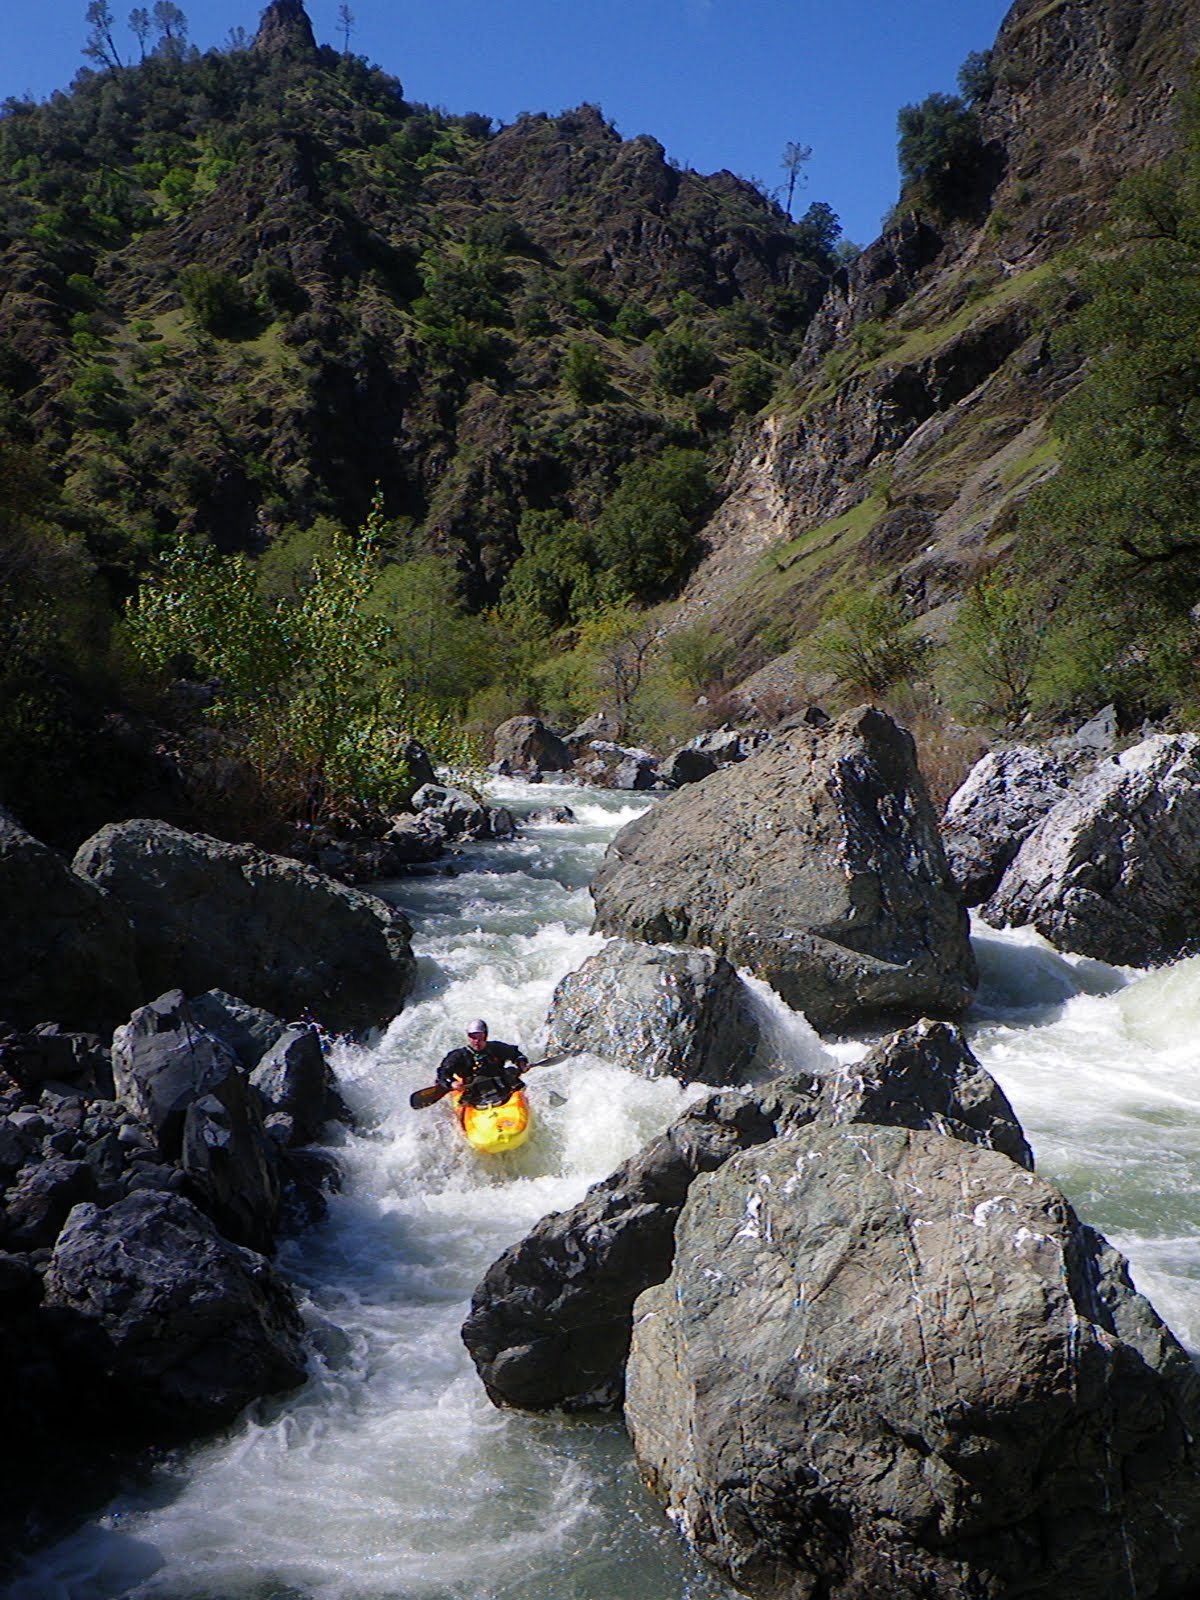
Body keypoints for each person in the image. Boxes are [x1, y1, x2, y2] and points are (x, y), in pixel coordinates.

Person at [437, 1019, 529, 1108]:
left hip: (501, 1087)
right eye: (473, 1037)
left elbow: (516, 1054)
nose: (477, 1041)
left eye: (480, 1036)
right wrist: (452, 1083)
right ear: (468, 1037)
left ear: (486, 1036)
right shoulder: (458, 1056)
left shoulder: (497, 1048)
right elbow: (443, 1072)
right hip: (474, 1093)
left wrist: (521, 1063)